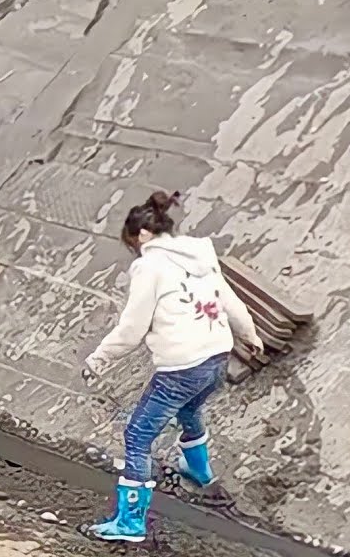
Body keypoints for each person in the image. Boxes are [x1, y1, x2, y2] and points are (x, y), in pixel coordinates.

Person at [82, 190, 263, 543]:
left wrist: (98, 358)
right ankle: (198, 471)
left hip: (182, 367)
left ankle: (130, 521)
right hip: (216, 357)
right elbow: (230, 301)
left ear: (143, 236)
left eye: (133, 242)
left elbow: (132, 329)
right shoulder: (200, 254)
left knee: (137, 437)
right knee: (190, 409)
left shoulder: (149, 266)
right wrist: (250, 335)